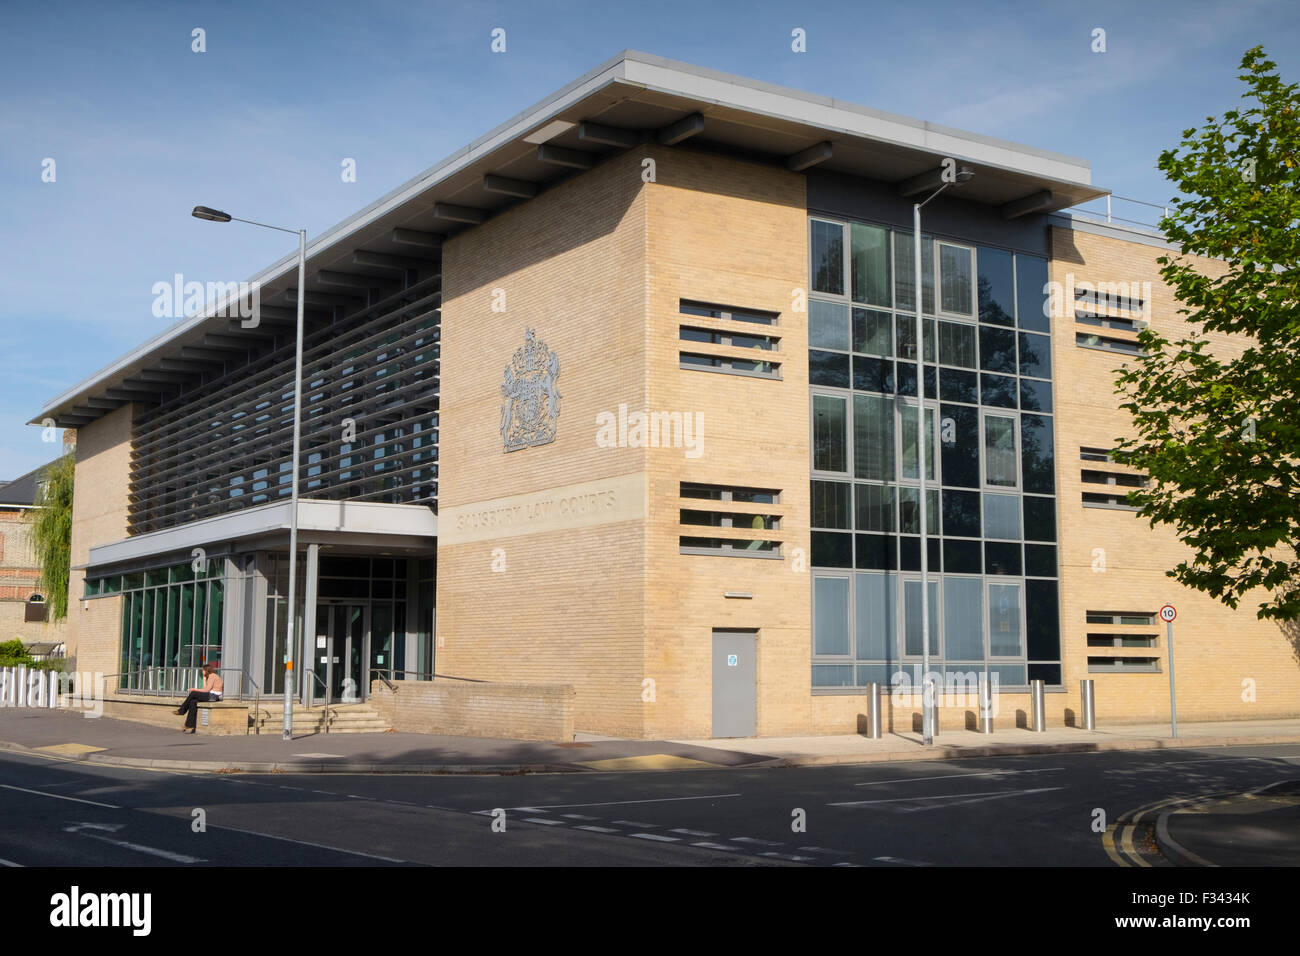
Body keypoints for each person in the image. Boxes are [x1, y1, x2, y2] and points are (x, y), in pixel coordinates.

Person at [174, 662, 223, 733]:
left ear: (206, 670)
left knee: (193, 693)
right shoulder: (209, 676)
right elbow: (205, 688)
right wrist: (204, 679)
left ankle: (182, 710)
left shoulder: (212, 676)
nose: (202, 671)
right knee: (192, 702)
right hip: (211, 695)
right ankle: (189, 725)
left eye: (203, 670)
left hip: (214, 696)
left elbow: (206, 690)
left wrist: (194, 689)